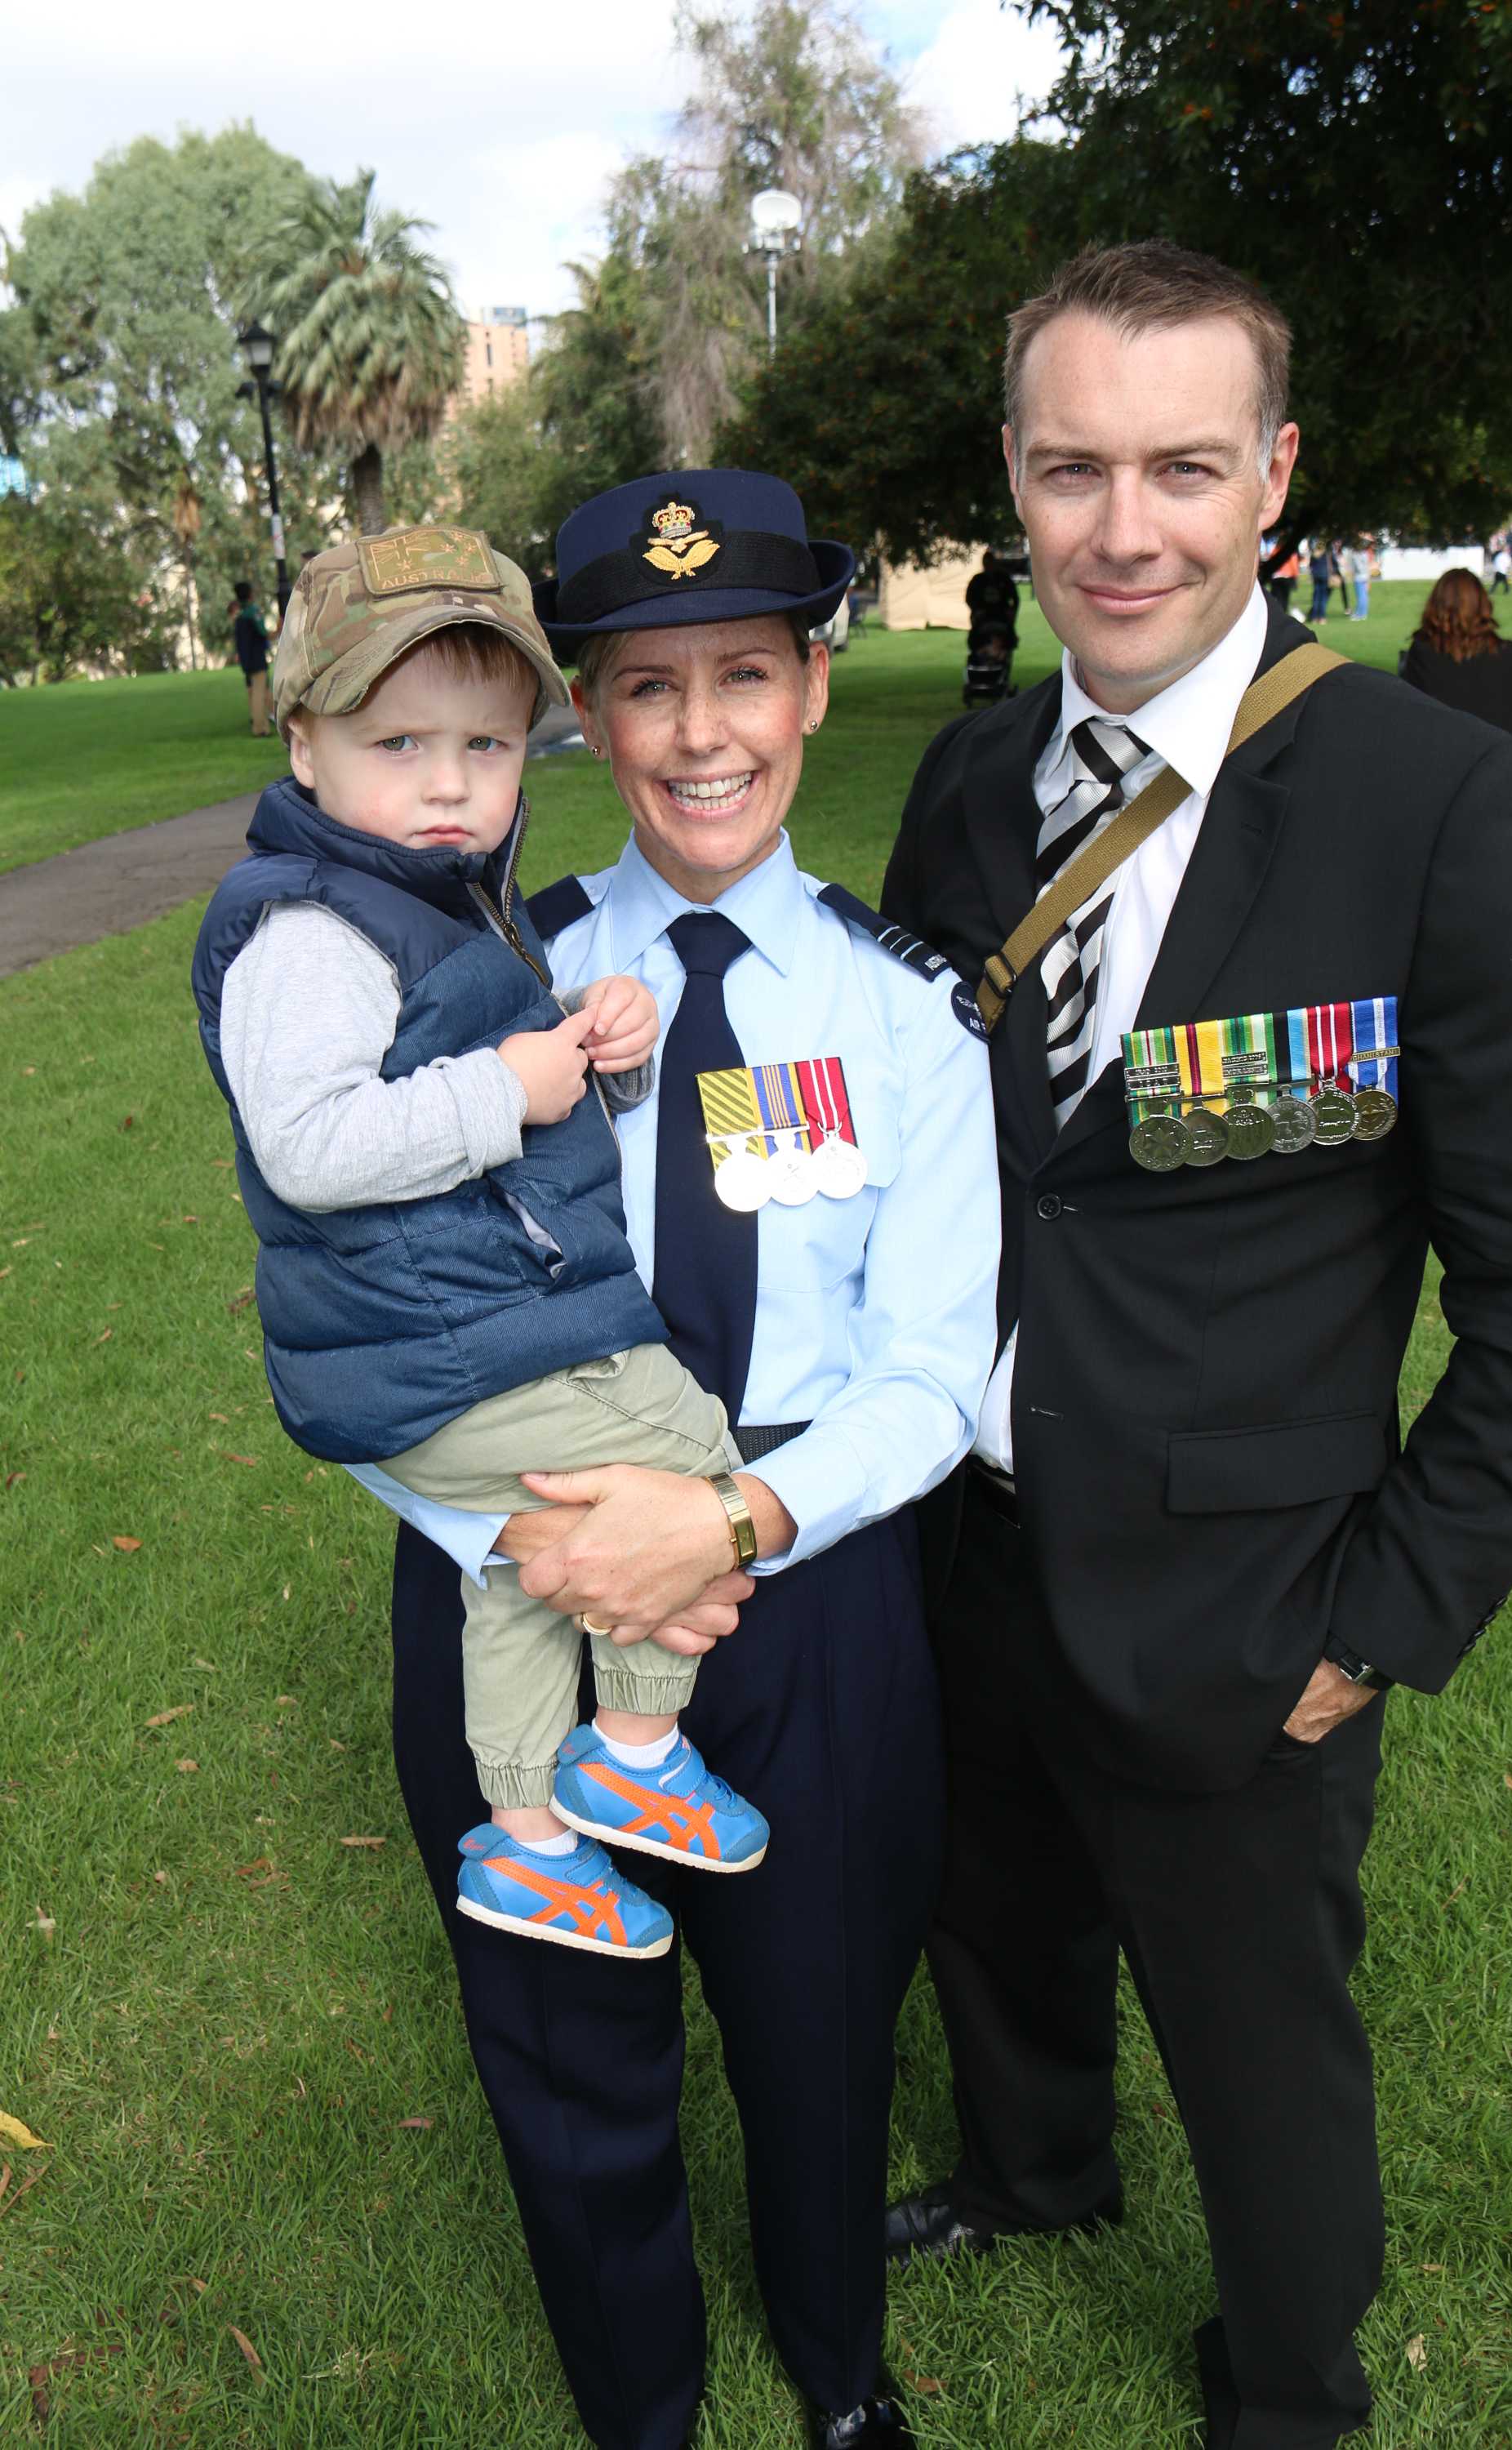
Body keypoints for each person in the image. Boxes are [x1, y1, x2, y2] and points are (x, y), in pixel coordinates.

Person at [879, 239, 1512, 2450]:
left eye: (1183, 468)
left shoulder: (1439, 803)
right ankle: (1032, 2169)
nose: (1125, 528)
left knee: (1258, 2035)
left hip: (1247, 1590)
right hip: (965, 1533)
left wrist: (1377, 1619)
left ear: (1274, 475)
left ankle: (1290, 2380)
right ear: (1013, 476)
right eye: (1073, 468)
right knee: (992, 1914)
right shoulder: (971, 782)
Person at [352, 470, 1000, 2448]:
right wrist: (523, 1540)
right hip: (521, 1575)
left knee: (820, 2021)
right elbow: (367, 1320)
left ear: (812, 687)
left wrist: (725, 1518)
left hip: (806, 1589)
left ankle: (836, 2378)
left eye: (741, 674)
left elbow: (931, 1368)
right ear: (586, 715)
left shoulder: (905, 1016)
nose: (698, 732)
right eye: (645, 685)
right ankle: (639, 2404)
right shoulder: (484, 993)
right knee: (566, 2047)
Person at [193, 524, 776, 1967]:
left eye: (486, 746)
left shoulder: (435, 894)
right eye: (398, 743)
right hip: (437, 1341)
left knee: (522, 1571)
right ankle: (633, 1753)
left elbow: (477, 1073)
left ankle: (524, 1838)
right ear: (305, 745)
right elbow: (311, 1144)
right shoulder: (309, 929)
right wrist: (508, 1088)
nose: (449, 783)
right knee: (686, 1450)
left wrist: (591, 1046)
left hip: (449, 1326)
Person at [1399, 567, 1512, 737]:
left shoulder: (1423, 652)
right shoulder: (1506, 652)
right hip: (1494, 748)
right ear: (1482, 604)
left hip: (1450, 746)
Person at [230, 578, 271, 735]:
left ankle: (270, 720)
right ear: (250, 594)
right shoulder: (253, 612)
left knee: (257, 691)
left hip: (247, 660)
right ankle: (260, 728)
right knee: (259, 693)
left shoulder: (239, 616)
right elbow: (263, 633)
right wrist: (277, 630)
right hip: (257, 658)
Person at [965, 546, 1021, 630]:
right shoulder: (977, 580)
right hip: (983, 615)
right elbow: (969, 598)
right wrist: (976, 610)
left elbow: (1015, 597)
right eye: (986, 563)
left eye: (990, 563)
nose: (988, 566)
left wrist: (1012, 612)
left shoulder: (1003, 579)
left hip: (1001, 613)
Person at [1306, 537, 1332, 623]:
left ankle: (1314, 617)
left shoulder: (1314, 554)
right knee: (1323, 598)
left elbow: (1311, 565)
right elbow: (1330, 565)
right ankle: (1322, 617)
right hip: (1325, 576)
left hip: (1316, 576)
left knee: (1316, 597)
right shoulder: (1326, 554)